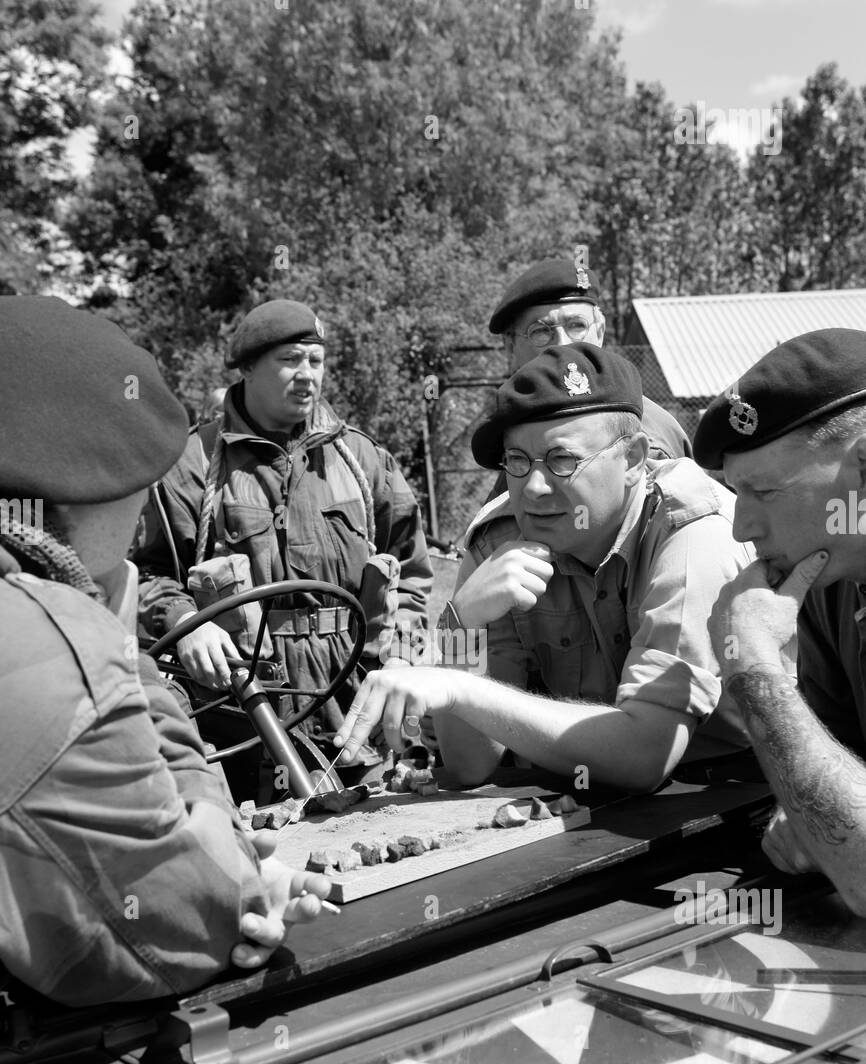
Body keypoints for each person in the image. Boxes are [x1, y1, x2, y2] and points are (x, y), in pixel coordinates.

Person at [0, 296, 333, 1007]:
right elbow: (191, 930)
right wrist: (110, 628)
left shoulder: (356, 456)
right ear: (90, 486)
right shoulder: (53, 645)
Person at [333, 344, 753, 791]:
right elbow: (471, 767)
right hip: (583, 798)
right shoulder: (498, 542)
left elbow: (645, 756)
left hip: (724, 798)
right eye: (517, 461)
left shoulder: (692, 533)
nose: (532, 488)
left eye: (561, 460)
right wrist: (461, 624)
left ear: (632, 459)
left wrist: (460, 689)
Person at [134, 299, 433, 793]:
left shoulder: (360, 459)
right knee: (263, 850)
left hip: (356, 700)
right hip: (241, 706)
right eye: (290, 360)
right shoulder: (192, 463)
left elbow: (413, 575)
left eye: (315, 361)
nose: (307, 375)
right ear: (248, 367)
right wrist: (187, 625)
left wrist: (402, 656)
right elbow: (147, 574)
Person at [694, 328, 866, 915]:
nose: (741, 528)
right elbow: (842, 762)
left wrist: (756, 665)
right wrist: (814, 809)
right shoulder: (830, 582)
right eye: (734, 494)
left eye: (763, 490)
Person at [489, 257, 692, 462]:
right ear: (511, 346)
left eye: (577, 326)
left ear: (600, 332)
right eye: (541, 331)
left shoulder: (643, 440)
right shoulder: (516, 429)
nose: (562, 344)